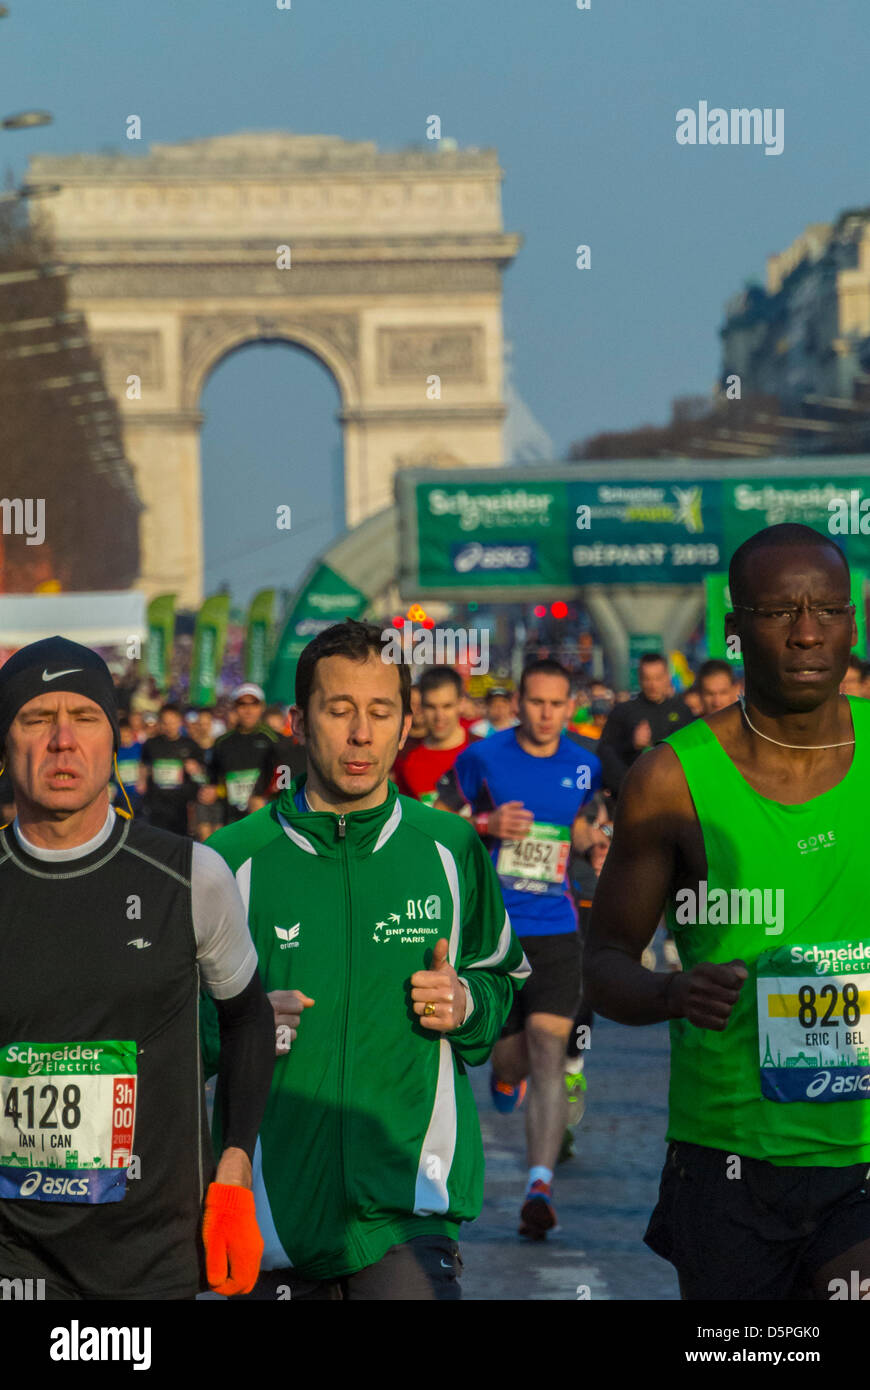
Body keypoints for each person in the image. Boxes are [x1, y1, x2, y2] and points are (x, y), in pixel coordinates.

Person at [200, 619, 528, 1300]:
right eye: (339, 710)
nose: (360, 734)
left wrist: (465, 1003)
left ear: (405, 725)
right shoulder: (229, 861)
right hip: (269, 1213)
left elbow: (505, 981)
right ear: (297, 720)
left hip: (409, 1210)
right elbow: (170, 1027)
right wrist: (241, 1025)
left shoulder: (451, 847)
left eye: (380, 712)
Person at [586, 523, 870, 1300]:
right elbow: (606, 961)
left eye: (827, 611)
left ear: (853, 620)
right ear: (736, 630)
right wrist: (672, 993)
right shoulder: (670, 779)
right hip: (729, 1160)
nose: (808, 633)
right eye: (779, 613)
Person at [0, 636, 275, 1300]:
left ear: (113, 738)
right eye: (37, 719)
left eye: (85, 717)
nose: (63, 740)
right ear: (5, 744)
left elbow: (249, 1020)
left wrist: (234, 1170)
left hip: (154, 1253)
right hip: (15, 1253)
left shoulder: (191, 877)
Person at [434, 658, 604, 1239]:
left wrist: (594, 844)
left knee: (549, 1048)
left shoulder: (585, 763)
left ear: (569, 705)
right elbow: (438, 817)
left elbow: (580, 826)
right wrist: (483, 823)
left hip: (556, 928)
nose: (546, 714)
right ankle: (504, 1079)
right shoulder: (483, 757)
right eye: (536, 702)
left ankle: (539, 1183)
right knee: (509, 1059)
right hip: (495, 934)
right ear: (519, 701)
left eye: (557, 704)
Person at [597, 653, 694, 794]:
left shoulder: (682, 710)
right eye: (647, 679)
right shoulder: (624, 711)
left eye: (658, 678)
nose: (653, 685)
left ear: (667, 677)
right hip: (636, 791)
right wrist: (632, 744)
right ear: (640, 679)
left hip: (676, 791)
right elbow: (606, 751)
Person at [391, 667, 477, 806]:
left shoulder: (482, 751)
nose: (439, 716)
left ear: (461, 704)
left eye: (447, 706)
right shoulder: (404, 758)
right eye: (431, 707)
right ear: (421, 707)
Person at [198, 684, 277, 826]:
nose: (248, 710)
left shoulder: (274, 740)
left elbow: (286, 778)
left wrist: (266, 797)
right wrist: (213, 791)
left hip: (266, 819)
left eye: (254, 704)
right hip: (231, 819)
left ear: (262, 707)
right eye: (242, 704)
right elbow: (212, 781)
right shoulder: (222, 743)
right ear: (234, 708)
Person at [138, 702, 204, 836]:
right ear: (160, 723)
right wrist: (142, 781)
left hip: (181, 804)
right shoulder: (151, 744)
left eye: (173, 722)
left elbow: (203, 776)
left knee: (180, 841)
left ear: (180, 721)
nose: (169, 727)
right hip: (157, 803)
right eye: (166, 723)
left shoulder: (191, 745)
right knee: (157, 841)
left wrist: (196, 770)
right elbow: (144, 764)